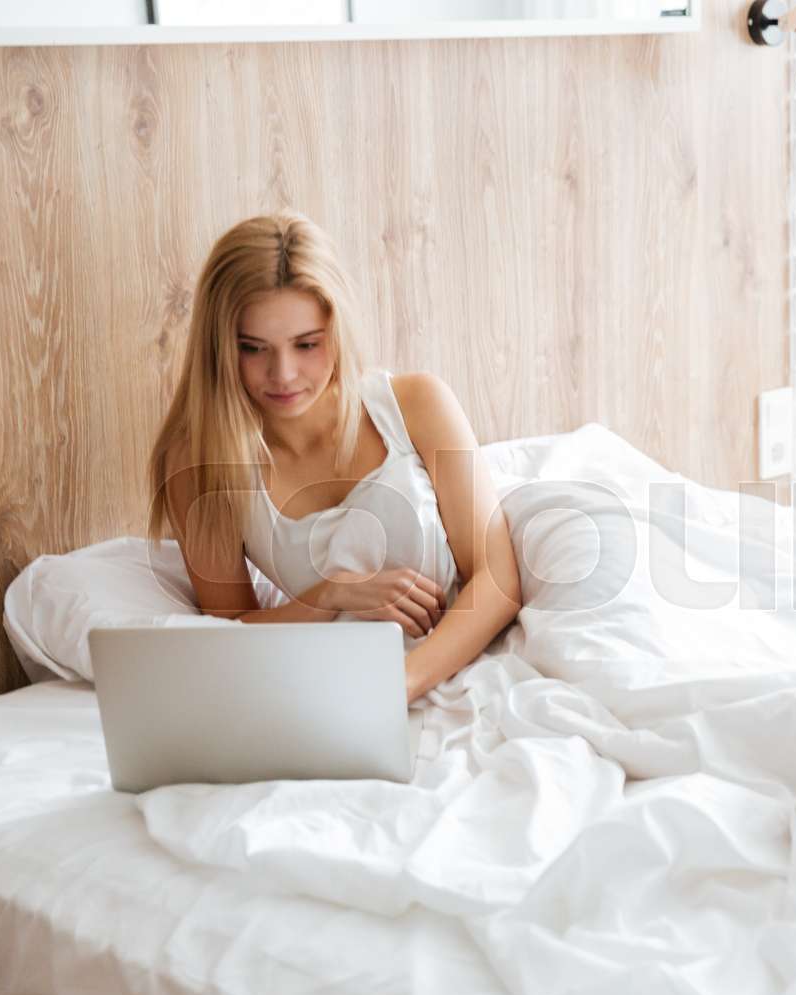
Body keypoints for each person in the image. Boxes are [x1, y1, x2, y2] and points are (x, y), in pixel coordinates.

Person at [145, 210, 523, 705]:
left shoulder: (415, 406)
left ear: (336, 330)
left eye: (306, 345)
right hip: (326, 692)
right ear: (219, 347)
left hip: (451, 670)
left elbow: (497, 576)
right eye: (252, 348)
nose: (283, 374)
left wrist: (406, 681)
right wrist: (326, 596)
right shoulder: (197, 462)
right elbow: (232, 630)